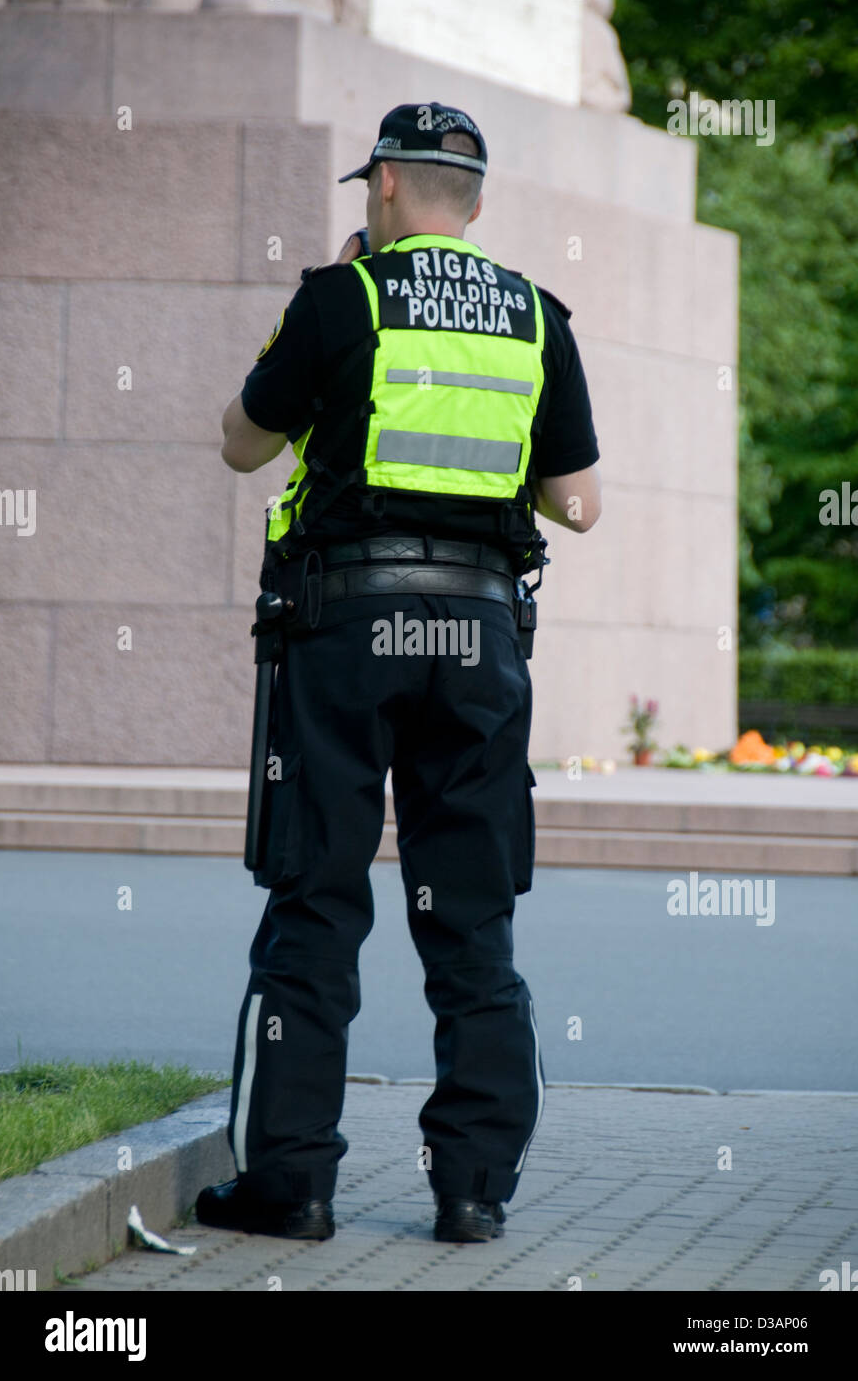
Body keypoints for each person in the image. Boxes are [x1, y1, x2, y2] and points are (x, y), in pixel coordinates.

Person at [196, 102, 602, 1245]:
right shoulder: (534, 316)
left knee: (315, 899)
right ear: (471, 201)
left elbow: (238, 441)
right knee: (470, 917)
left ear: (380, 187)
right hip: (476, 646)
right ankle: (470, 1192)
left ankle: (292, 1184)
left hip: (342, 631)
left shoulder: (341, 300)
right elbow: (577, 504)